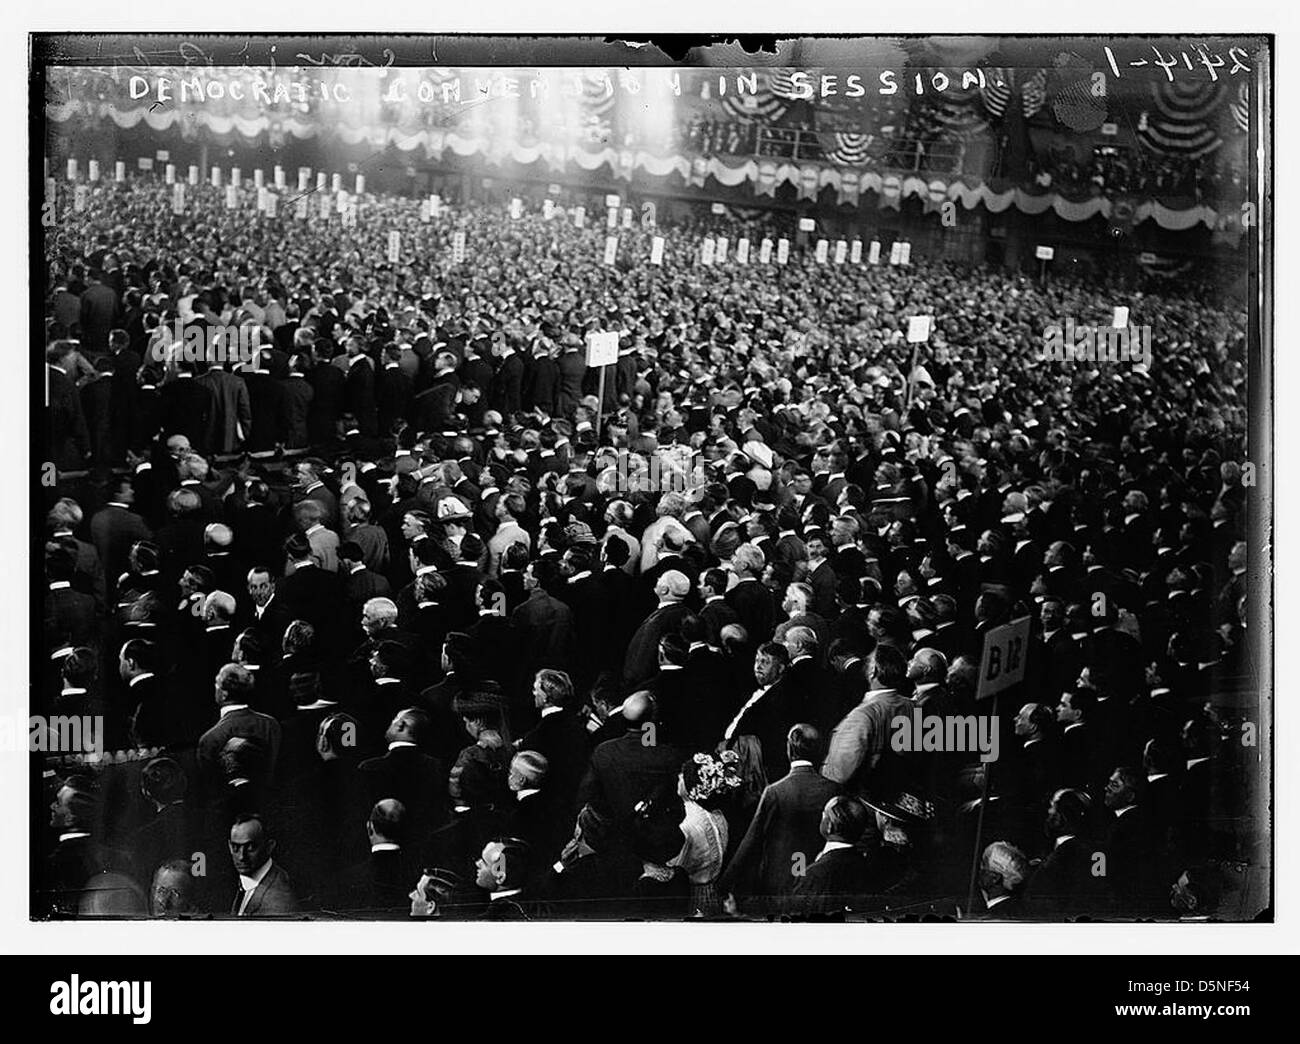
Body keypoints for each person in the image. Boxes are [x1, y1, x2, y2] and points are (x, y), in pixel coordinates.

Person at [228, 814, 299, 917]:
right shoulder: (247, 882)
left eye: (250, 847)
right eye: (235, 847)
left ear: (269, 847)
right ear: (229, 846)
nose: (241, 856)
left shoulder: (279, 903)